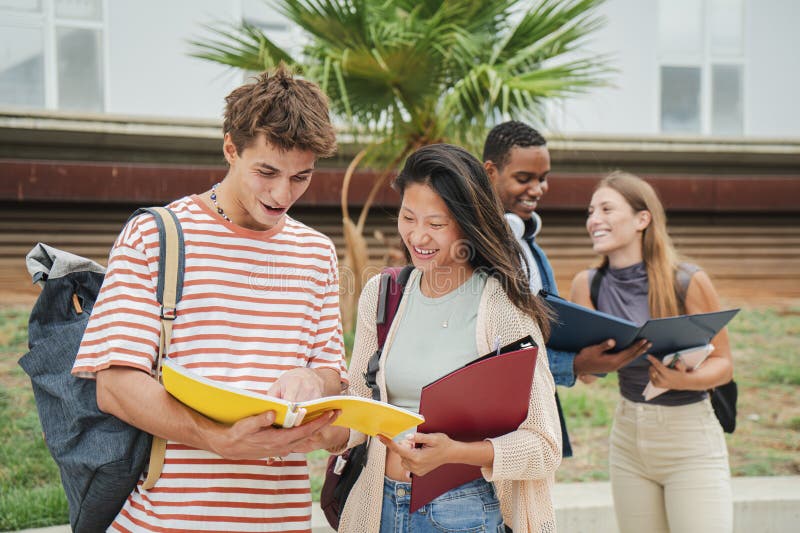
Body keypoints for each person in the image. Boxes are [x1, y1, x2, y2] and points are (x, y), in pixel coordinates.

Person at [71, 66, 349, 532]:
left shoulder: (316, 251)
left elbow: (329, 374)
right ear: (230, 149)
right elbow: (115, 385)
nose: (283, 194)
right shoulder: (155, 235)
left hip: (283, 521)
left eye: (301, 177)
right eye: (266, 172)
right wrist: (218, 439)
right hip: (166, 521)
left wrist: (312, 381)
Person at [332, 143, 562, 532]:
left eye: (436, 224)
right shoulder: (381, 293)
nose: (417, 235)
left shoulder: (503, 308)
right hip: (376, 506)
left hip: (461, 512)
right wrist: (322, 428)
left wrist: (457, 453)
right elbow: (360, 407)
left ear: (467, 223)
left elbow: (544, 446)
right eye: (408, 217)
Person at [569, 171, 734, 533]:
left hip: (689, 439)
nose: (594, 220)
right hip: (628, 437)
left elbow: (723, 365)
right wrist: (586, 365)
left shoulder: (686, 280)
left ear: (642, 219)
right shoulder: (587, 285)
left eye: (607, 209)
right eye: (591, 211)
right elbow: (587, 375)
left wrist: (681, 380)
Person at [482, 121, 650, 457]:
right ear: (490, 173)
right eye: (524, 178)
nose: (538, 188)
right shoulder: (477, 247)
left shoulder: (529, 244)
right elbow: (491, 347)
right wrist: (574, 364)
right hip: (494, 424)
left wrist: (591, 350)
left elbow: (548, 327)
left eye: (543, 178)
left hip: (535, 413)